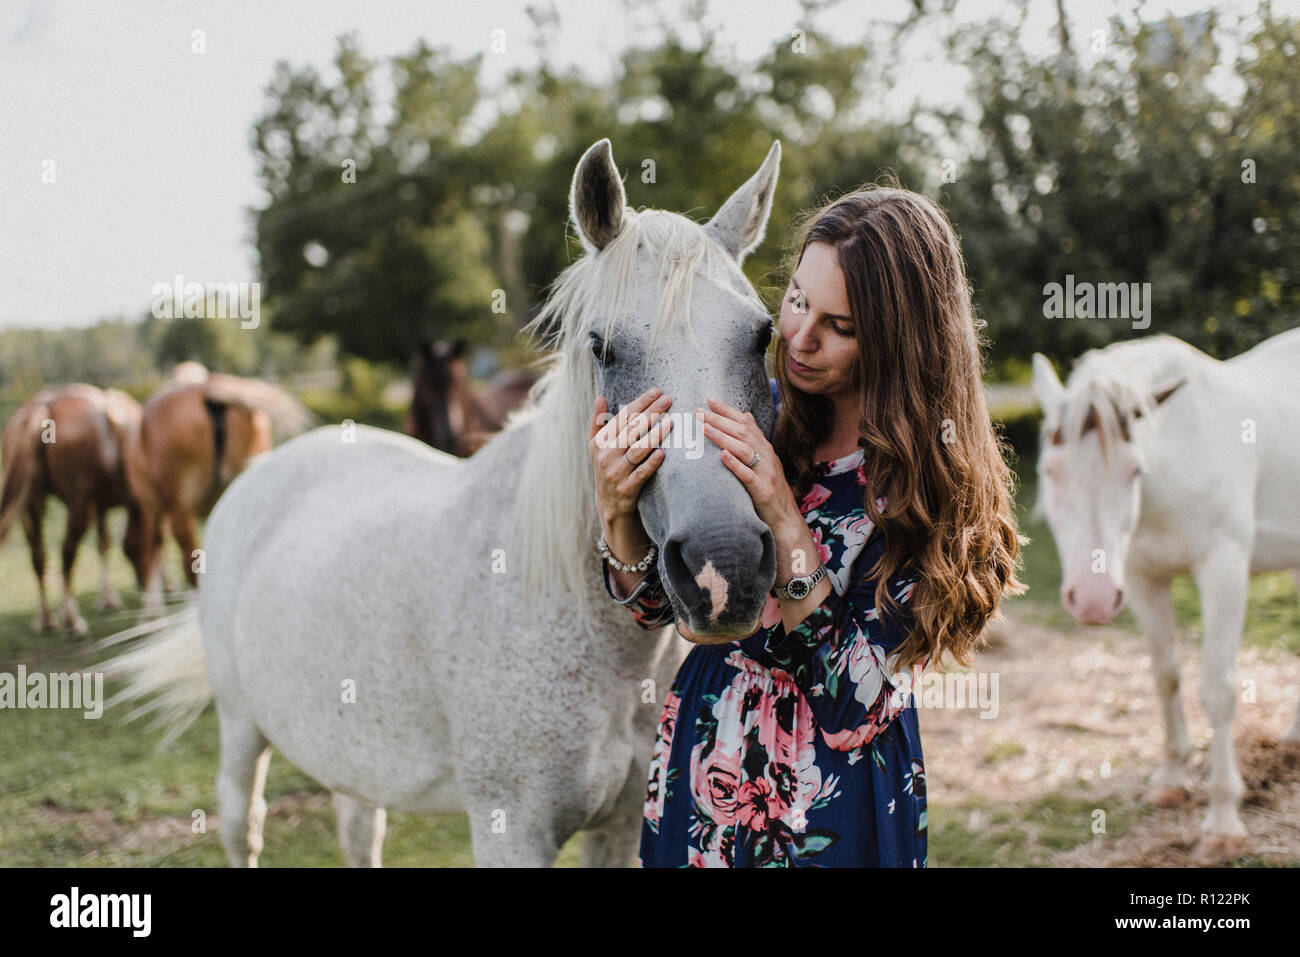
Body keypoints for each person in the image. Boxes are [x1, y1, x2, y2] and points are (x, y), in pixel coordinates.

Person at [588, 185, 1025, 867]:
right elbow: (668, 607)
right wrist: (618, 514)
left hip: (828, 795)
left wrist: (786, 519)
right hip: (706, 752)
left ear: (901, 341)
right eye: (797, 300)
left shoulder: (926, 485)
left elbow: (854, 702)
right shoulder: (754, 410)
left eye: (840, 326)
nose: (799, 337)